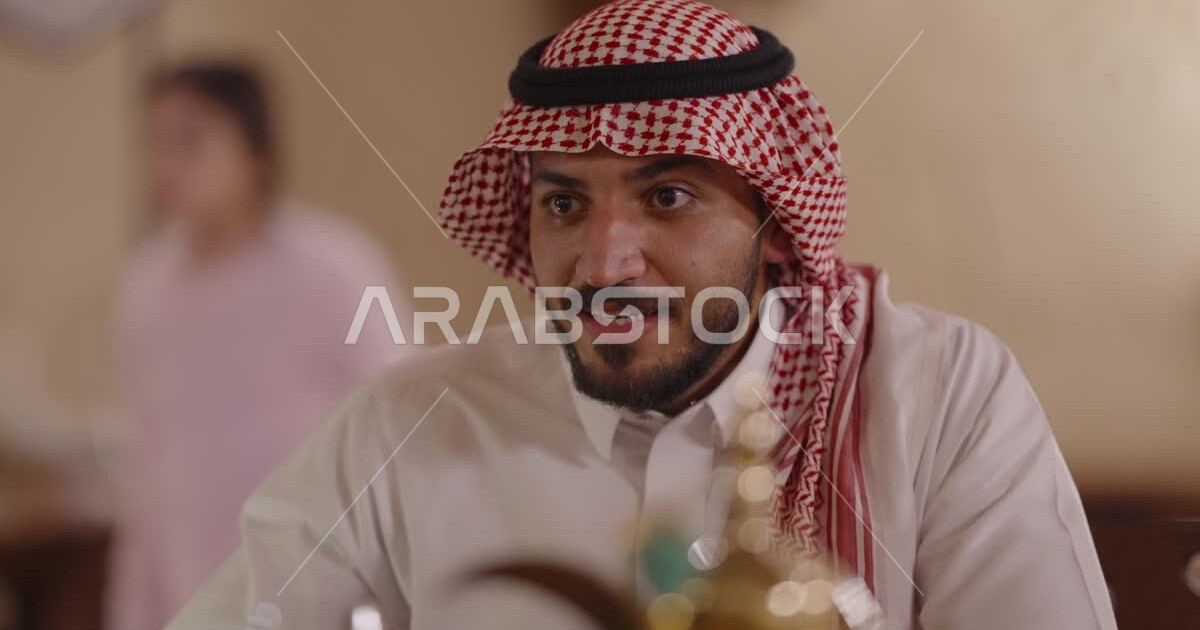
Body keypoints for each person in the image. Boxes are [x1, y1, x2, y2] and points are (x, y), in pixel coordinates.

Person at [168, 2, 1117, 628]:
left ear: (775, 225)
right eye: (565, 203)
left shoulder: (938, 397)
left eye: (668, 197)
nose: (603, 262)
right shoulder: (405, 425)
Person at [110, 61, 412, 630]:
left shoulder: (336, 268)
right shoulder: (145, 288)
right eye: (156, 141)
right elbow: (147, 473)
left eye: (190, 140)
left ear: (254, 152)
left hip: (323, 591)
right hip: (192, 588)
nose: (166, 164)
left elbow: (397, 436)